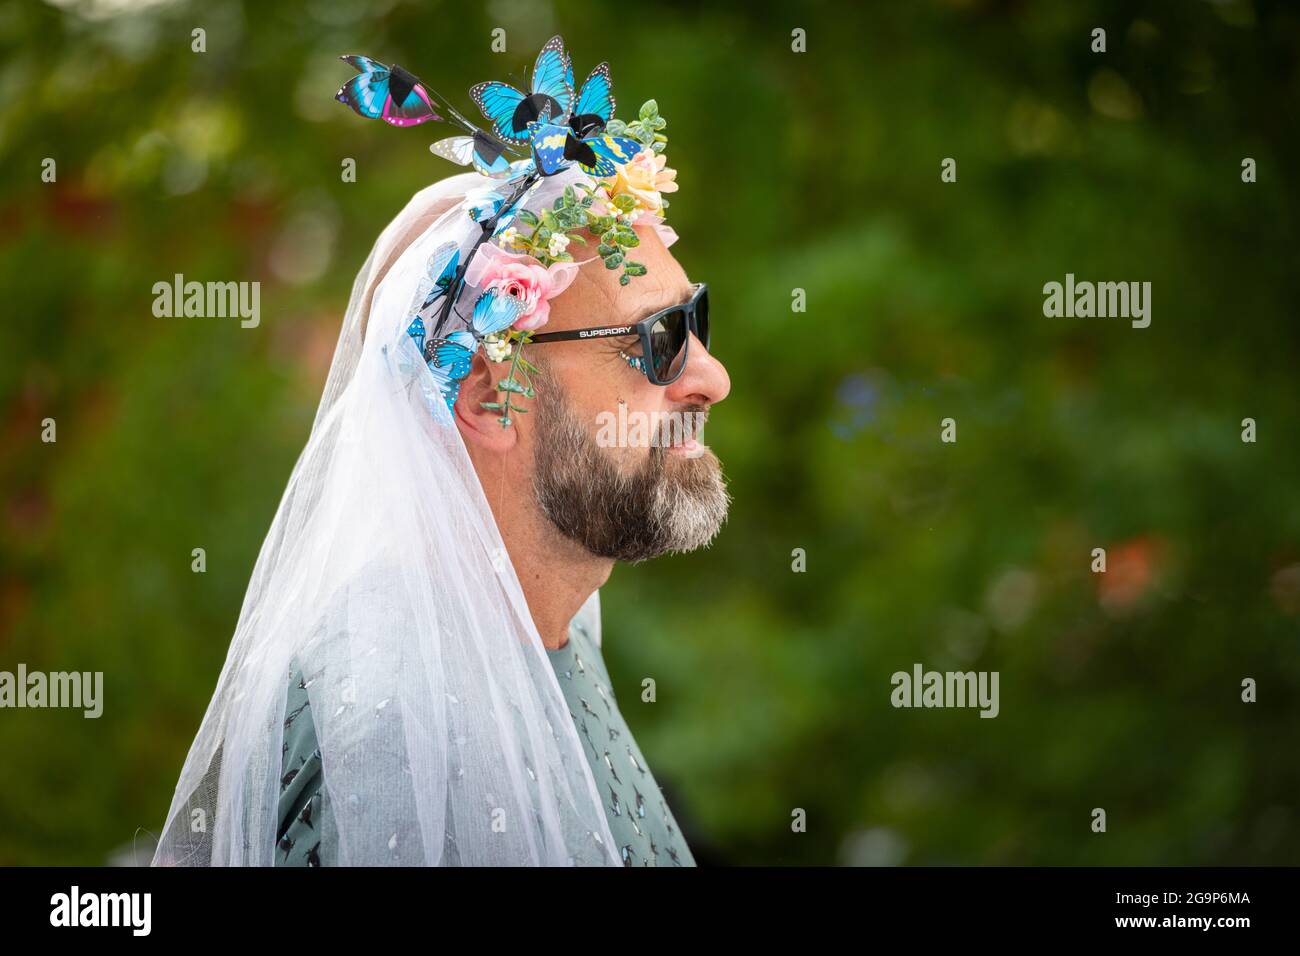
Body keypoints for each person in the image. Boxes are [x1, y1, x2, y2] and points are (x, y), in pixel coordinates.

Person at [151, 82, 731, 863]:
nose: (711, 375)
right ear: (492, 399)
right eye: (659, 340)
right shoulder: (384, 738)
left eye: (694, 319)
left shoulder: (551, 641)